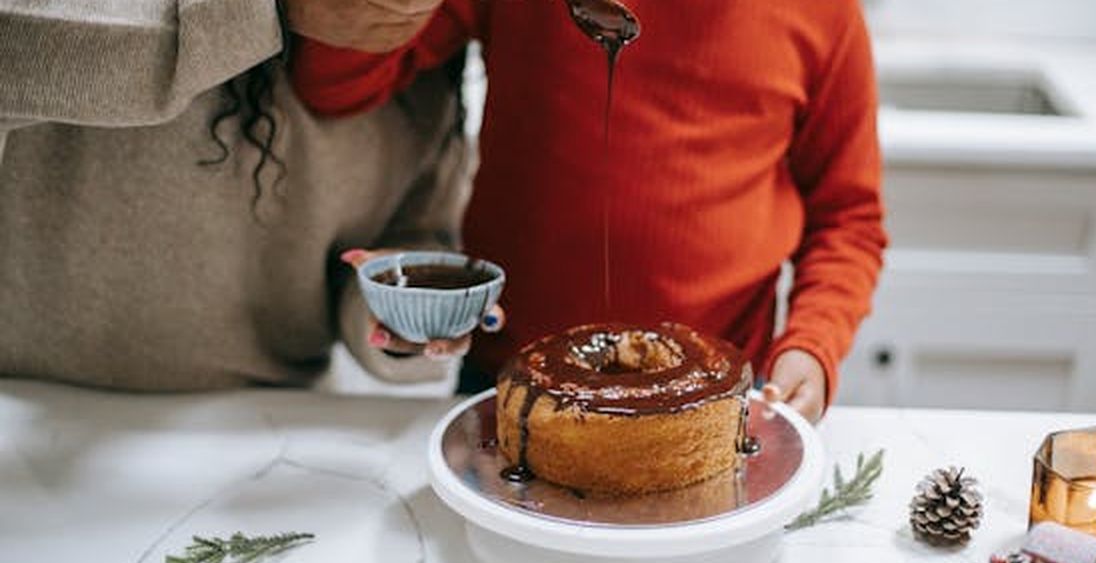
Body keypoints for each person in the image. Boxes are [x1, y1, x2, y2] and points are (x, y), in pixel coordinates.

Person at [291, 0, 888, 422]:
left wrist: (812, 343)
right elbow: (332, 84)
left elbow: (850, 220)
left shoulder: (824, 13)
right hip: (509, 381)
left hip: (718, 396)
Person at [0, 0, 483, 391]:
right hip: (23, 405)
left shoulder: (429, 45)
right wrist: (271, 10)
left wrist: (400, 312)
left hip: (262, 430)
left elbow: (412, 229)